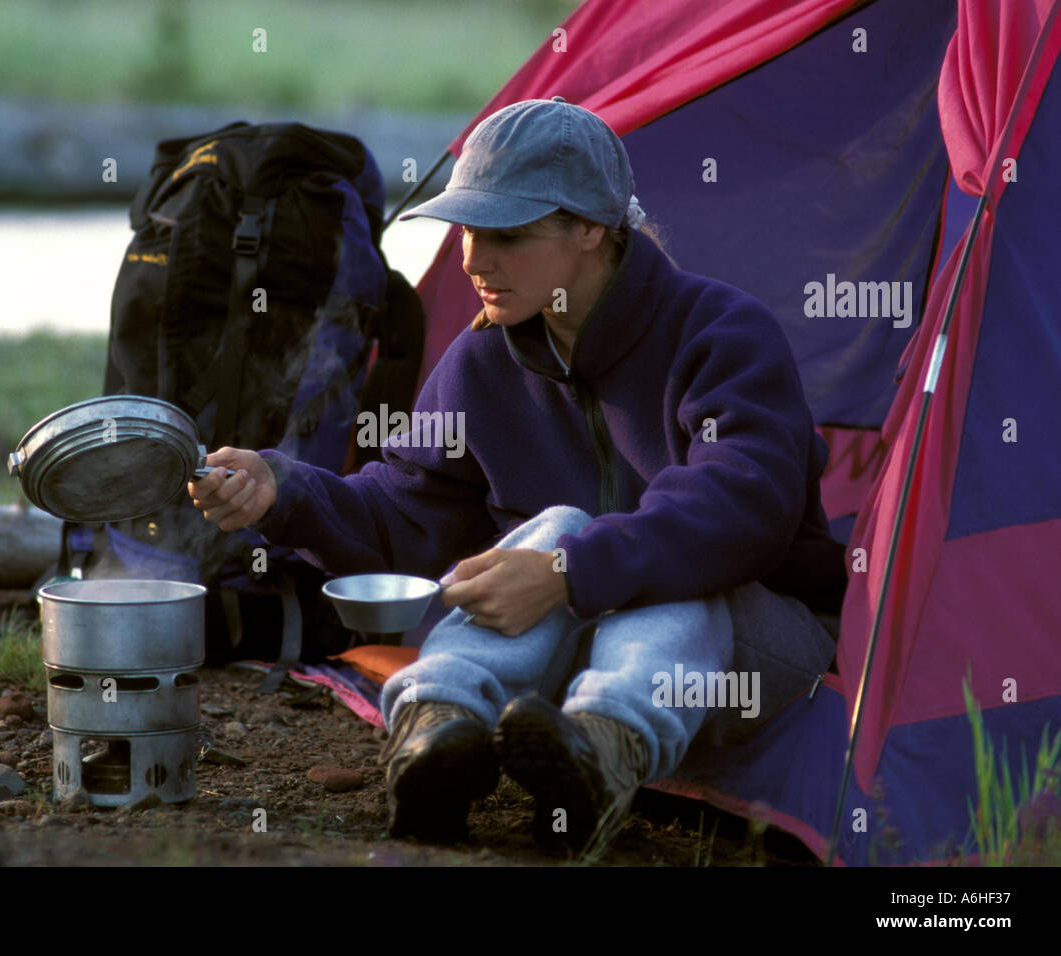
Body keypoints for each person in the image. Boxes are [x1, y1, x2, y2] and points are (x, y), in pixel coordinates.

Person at [189, 97, 844, 858]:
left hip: (751, 654)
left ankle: (604, 758)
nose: (472, 259)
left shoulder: (722, 334)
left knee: (607, 550)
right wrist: (284, 491)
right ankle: (436, 733)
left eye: (506, 234)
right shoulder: (485, 361)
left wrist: (568, 572)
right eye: (468, 229)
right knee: (563, 527)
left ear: (591, 229)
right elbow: (406, 513)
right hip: (574, 662)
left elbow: (740, 510)